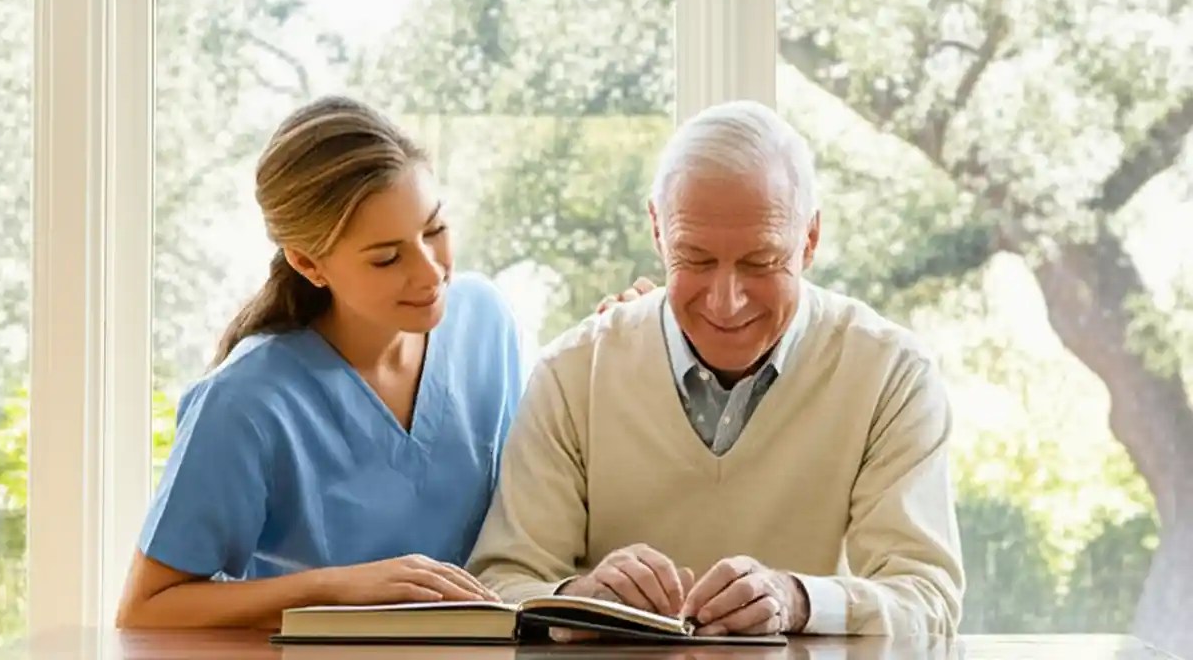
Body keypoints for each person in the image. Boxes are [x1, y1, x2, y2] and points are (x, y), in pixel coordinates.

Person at [116, 95, 645, 629]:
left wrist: (621, 347)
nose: (429, 272)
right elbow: (146, 610)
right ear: (307, 262)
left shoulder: (484, 321)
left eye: (435, 230)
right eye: (388, 258)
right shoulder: (246, 401)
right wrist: (337, 588)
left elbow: (543, 484)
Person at [467, 100, 965, 639]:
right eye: (696, 260)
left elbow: (926, 598)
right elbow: (502, 583)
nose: (726, 302)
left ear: (810, 240)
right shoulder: (572, 373)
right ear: (658, 232)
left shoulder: (891, 375)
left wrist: (797, 600)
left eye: (761, 262)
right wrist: (575, 600)